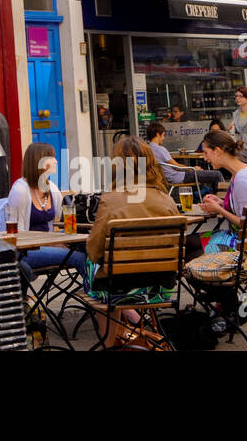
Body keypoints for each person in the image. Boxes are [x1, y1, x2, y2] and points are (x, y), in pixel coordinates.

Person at [84, 136, 180, 347]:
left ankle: (109, 344)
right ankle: (133, 333)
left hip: (118, 288)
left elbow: (94, 251)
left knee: (93, 266)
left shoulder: (111, 199)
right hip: (160, 288)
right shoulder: (167, 199)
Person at [2, 142, 87, 277]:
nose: (56, 161)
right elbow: (18, 237)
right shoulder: (20, 191)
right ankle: (96, 293)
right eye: (51, 157)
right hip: (26, 251)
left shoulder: (52, 189)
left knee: (88, 248)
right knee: (79, 258)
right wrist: (52, 243)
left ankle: (110, 288)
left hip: (48, 244)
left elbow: (64, 222)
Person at [197, 130, 247, 254]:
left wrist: (220, 210)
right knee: (188, 243)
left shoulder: (243, 178)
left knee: (187, 251)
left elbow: (246, 222)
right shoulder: (240, 172)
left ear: (218, 151)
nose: (205, 158)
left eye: (206, 153)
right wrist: (220, 203)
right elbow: (244, 210)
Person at [146, 122, 219, 191]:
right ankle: (225, 200)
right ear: (158, 134)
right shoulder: (160, 149)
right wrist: (193, 168)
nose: (164, 138)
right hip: (179, 177)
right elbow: (177, 167)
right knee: (216, 174)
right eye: (163, 135)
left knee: (207, 176)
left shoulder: (147, 149)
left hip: (169, 178)